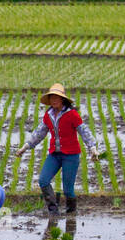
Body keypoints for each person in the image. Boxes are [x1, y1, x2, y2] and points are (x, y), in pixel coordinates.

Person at [13, 83, 104, 220]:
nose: (54, 100)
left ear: (62, 99)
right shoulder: (48, 115)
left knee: (68, 190)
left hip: (71, 155)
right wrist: (25, 148)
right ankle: (53, 211)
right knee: (43, 180)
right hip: (55, 155)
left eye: (57, 97)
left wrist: (93, 148)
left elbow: (84, 131)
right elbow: (39, 133)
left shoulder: (72, 114)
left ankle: (71, 213)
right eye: (51, 98)